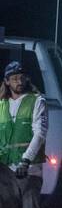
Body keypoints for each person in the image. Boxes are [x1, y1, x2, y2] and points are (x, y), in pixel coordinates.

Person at [1, 61, 48, 197]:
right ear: (7, 81)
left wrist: (26, 160)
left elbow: (40, 133)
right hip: (5, 171)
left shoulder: (37, 101)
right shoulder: (2, 105)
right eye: (15, 79)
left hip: (29, 170)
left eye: (22, 77)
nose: (19, 81)